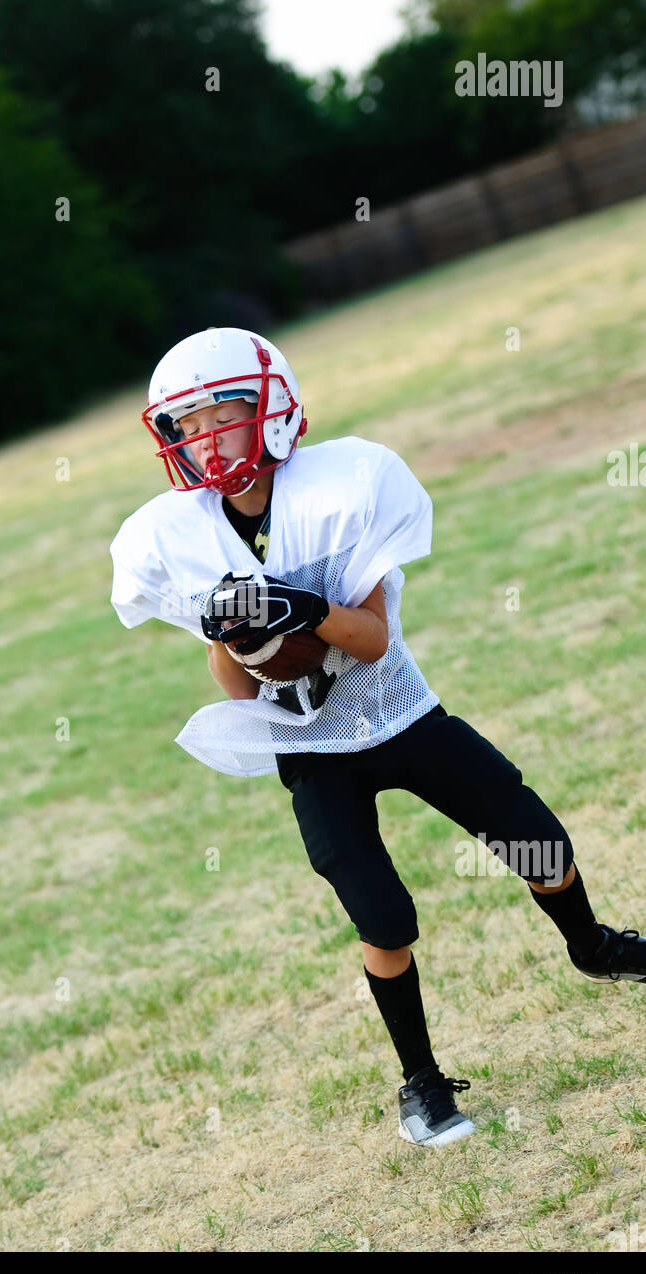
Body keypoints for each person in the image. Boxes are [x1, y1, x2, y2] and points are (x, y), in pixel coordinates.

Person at [109, 326, 646, 1148]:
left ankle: (593, 947)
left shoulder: (348, 479)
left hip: (396, 713)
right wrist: (231, 638)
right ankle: (422, 1083)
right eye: (189, 424)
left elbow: (370, 641)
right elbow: (241, 685)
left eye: (223, 413)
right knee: (384, 919)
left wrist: (304, 609)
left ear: (272, 408)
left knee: (538, 841)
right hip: (310, 747)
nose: (206, 437)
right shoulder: (175, 535)